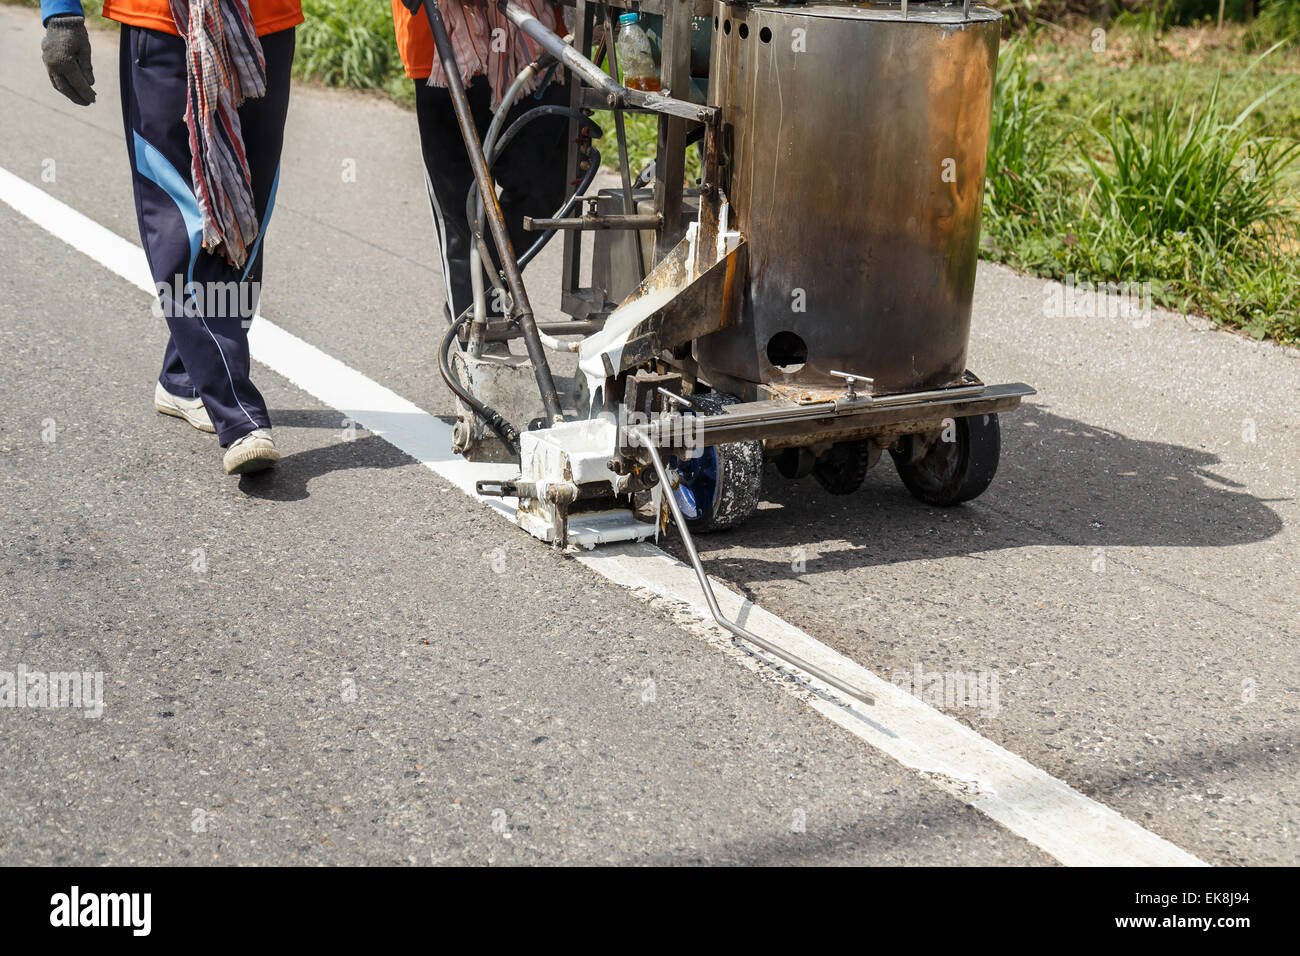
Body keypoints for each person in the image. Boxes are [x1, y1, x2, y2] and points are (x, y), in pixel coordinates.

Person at [39, 0, 302, 475]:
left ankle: (182, 378)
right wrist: (60, 12)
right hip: (161, 25)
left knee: (245, 220)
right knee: (185, 221)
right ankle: (238, 415)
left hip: (266, 23)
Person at [390, 0, 572, 326]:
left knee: (549, 178)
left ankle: (489, 288)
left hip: (532, 35)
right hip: (442, 43)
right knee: (463, 205)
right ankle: (476, 324)